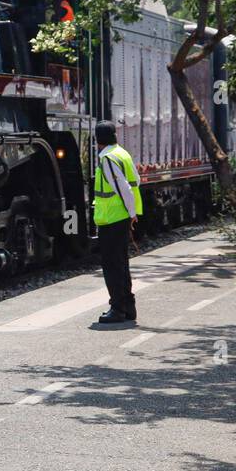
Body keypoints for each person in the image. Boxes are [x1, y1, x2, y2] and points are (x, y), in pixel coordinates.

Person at [92, 121, 143, 325]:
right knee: (121, 263)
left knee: (112, 265)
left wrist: (131, 214)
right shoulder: (122, 153)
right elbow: (136, 180)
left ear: (97, 140)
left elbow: (124, 189)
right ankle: (128, 307)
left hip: (112, 218)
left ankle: (118, 308)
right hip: (119, 217)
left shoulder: (107, 158)